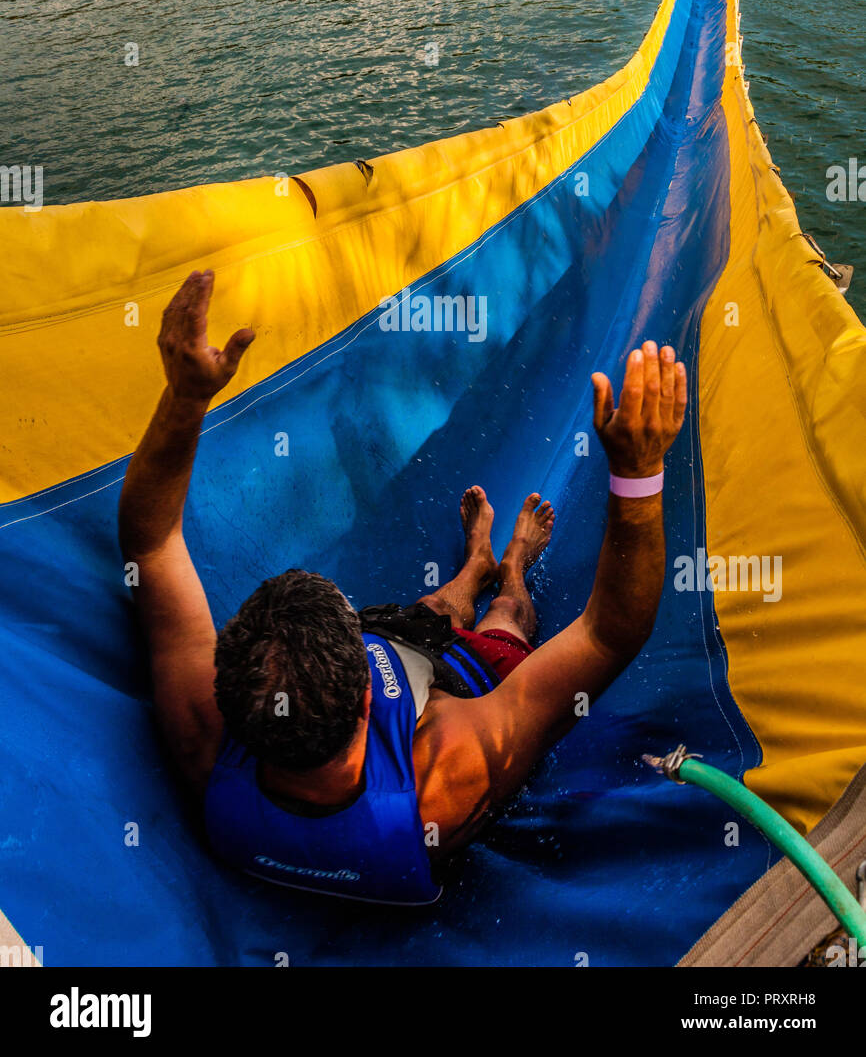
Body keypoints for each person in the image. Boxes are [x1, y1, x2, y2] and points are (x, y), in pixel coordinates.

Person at [119, 270, 688, 905]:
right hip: (456, 683)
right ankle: (512, 570)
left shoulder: (206, 739)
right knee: (502, 629)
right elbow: (609, 633)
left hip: (390, 650)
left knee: (420, 616)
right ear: (368, 697)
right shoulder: (446, 777)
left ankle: (472, 566)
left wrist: (185, 399)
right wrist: (639, 473)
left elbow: (150, 543)